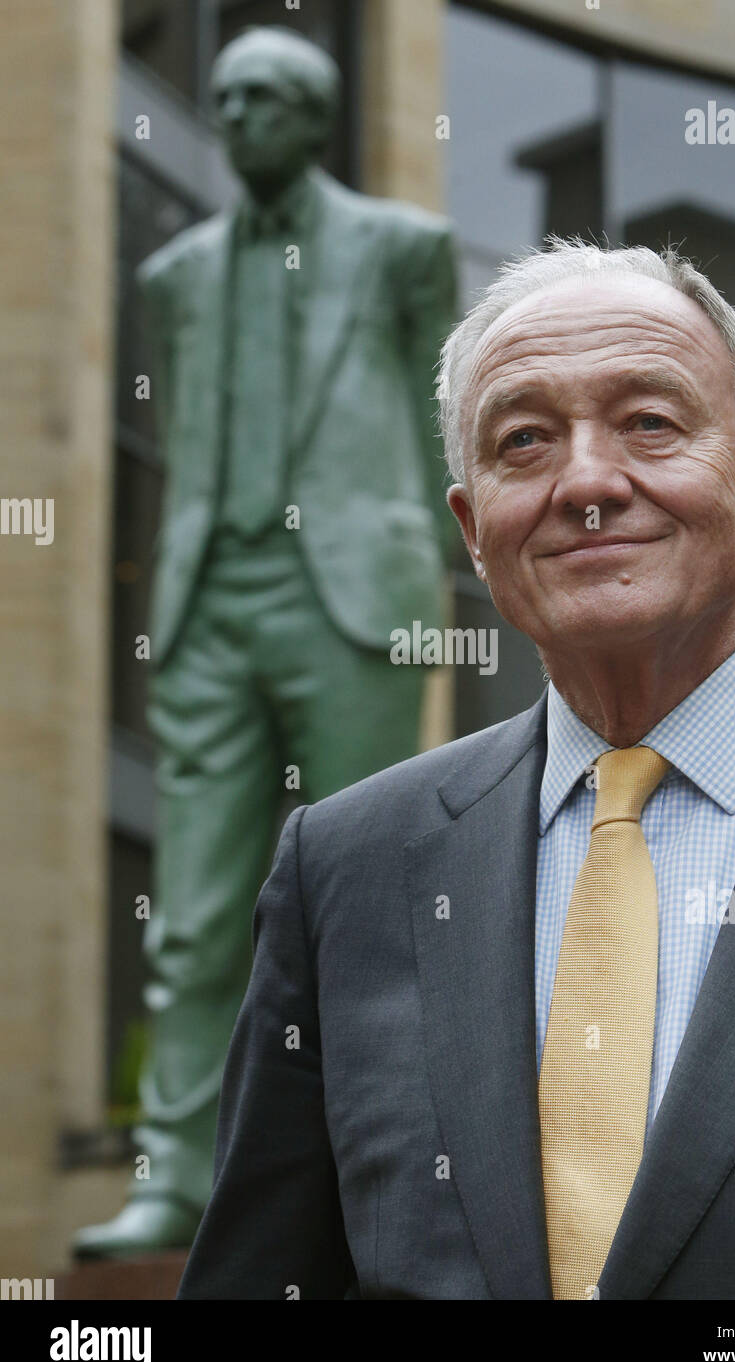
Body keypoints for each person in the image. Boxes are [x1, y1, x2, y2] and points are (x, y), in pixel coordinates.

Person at [177, 239, 735, 1299]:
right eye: (524, 441)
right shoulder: (347, 866)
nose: (589, 484)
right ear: (472, 530)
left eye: (649, 422)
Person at [74, 25, 456, 1259]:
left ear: (313, 115)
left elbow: (426, 419)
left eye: (262, 98)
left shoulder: (403, 249)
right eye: (222, 98)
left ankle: (368, 1170)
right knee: (190, 910)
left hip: (348, 593)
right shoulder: (174, 274)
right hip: (211, 597)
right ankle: (175, 1175)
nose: (234, 116)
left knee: (366, 894)